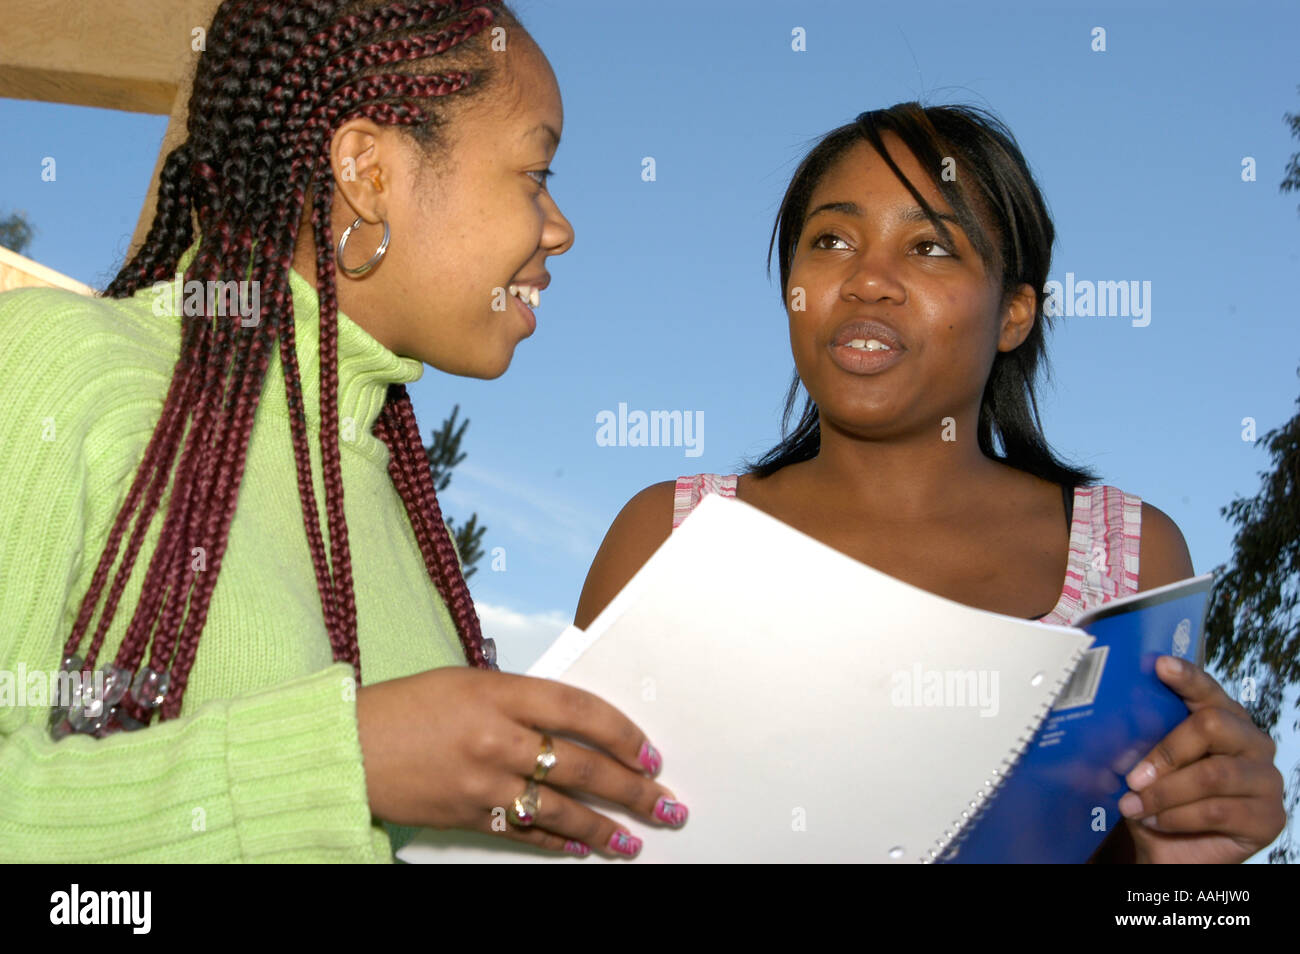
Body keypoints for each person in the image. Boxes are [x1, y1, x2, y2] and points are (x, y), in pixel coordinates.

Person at [0, 0, 688, 862]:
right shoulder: (64, 367)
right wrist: (346, 763)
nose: (560, 227)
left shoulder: (391, 500)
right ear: (366, 170)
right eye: (535, 173)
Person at [574, 103, 1286, 864]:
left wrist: (1189, 870)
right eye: (832, 240)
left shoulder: (1129, 558)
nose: (868, 280)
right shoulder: (667, 537)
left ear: (1014, 313)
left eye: (930, 246)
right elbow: (565, 837)